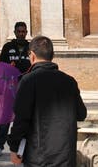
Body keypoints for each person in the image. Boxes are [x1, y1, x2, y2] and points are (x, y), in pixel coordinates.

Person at [8, 35, 86, 167]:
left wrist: (14, 148)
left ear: (31, 55)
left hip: (38, 158)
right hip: (66, 157)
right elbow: (81, 114)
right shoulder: (70, 81)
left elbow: (21, 120)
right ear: (52, 55)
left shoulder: (28, 81)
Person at [0, 21, 30, 156]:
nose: (21, 34)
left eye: (23, 31)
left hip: (26, 87)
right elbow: (1, 66)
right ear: (15, 33)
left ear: (26, 33)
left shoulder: (30, 48)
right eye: (19, 31)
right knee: (6, 117)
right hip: (10, 86)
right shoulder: (7, 47)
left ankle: (21, 147)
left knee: (23, 118)